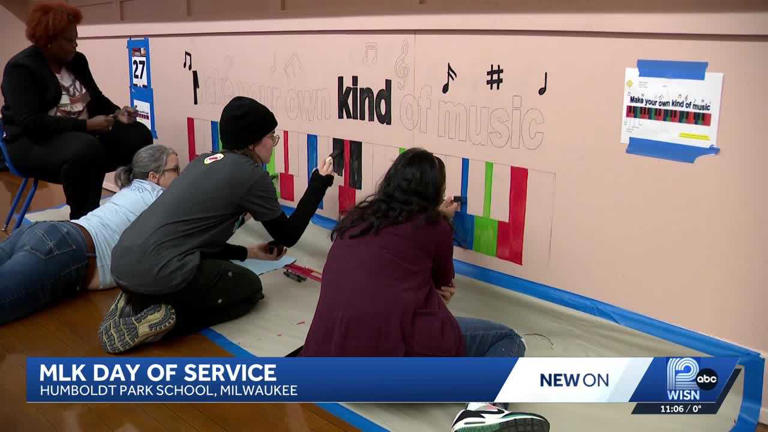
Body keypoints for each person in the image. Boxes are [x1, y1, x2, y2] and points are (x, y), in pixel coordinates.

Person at [302, 148, 549, 432]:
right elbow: (444, 285)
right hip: (388, 370)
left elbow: (393, 272)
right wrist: (440, 222)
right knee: (508, 340)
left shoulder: (357, 218)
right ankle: (481, 410)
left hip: (324, 364)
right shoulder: (435, 228)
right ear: (434, 193)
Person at [99, 96, 335, 354]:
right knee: (249, 290)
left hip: (124, 259)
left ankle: (139, 299)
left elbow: (195, 240)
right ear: (253, 142)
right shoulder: (252, 176)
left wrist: (249, 253)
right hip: (157, 269)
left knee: (213, 269)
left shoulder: (204, 161)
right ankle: (163, 320)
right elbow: (288, 235)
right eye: (271, 136)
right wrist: (319, 183)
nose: (273, 143)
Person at [1, 2, 153, 219]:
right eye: (69, 40)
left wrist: (119, 113)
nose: (75, 45)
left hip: (80, 135)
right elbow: (31, 122)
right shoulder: (21, 68)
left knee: (138, 134)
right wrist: (86, 125)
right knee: (86, 149)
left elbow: (96, 99)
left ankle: (136, 202)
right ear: (49, 42)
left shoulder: (77, 61)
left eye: (75, 38)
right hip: (32, 142)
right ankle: (84, 221)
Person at [0, 144, 179, 325]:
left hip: (42, 233)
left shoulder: (129, 190)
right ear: (154, 177)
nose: (181, 175)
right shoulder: (161, 199)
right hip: (63, 247)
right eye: (176, 170)